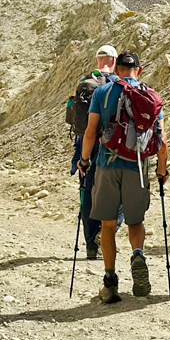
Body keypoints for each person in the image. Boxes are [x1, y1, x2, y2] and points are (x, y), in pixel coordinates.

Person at [78, 51, 169, 304]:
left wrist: (84, 161)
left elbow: (90, 133)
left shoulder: (101, 93)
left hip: (107, 165)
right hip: (138, 168)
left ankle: (110, 282)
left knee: (108, 225)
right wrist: (162, 170)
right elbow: (161, 140)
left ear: (117, 70)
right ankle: (138, 253)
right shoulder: (151, 97)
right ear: (138, 71)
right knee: (135, 221)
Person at [68, 45, 120, 259]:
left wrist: (82, 158)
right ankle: (105, 233)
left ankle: (91, 245)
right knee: (119, 194)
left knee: (88, 193)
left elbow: (76, 122)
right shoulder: (119, 84)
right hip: (112, 147)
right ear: (114, 61)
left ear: (98, 61)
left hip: (86, 146)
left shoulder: (84, 83)